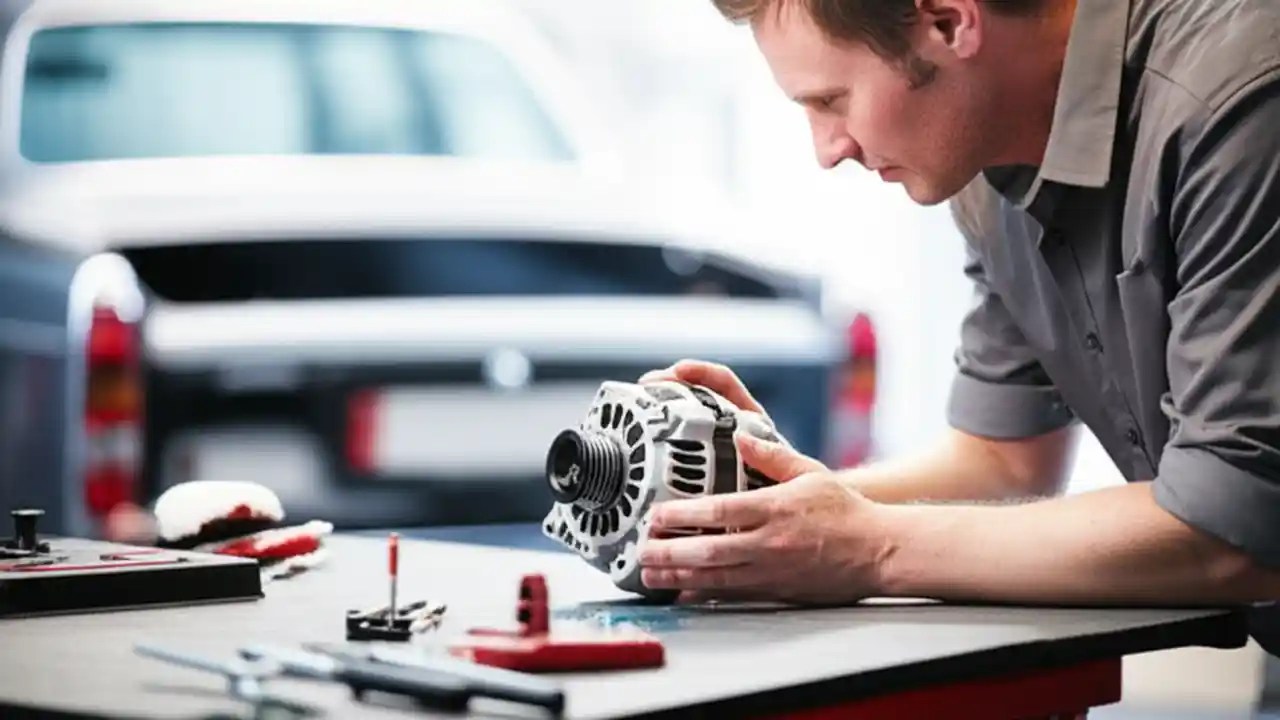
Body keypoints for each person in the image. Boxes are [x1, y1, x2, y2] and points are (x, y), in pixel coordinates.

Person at [634, 0, 1280, 653]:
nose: (828, 150)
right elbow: (1002, 461)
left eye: (832, 100)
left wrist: (870, 549)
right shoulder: (989, 156)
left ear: (949, 21)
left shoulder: (1237, 101)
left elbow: (1234, 530)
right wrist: (767, 507)